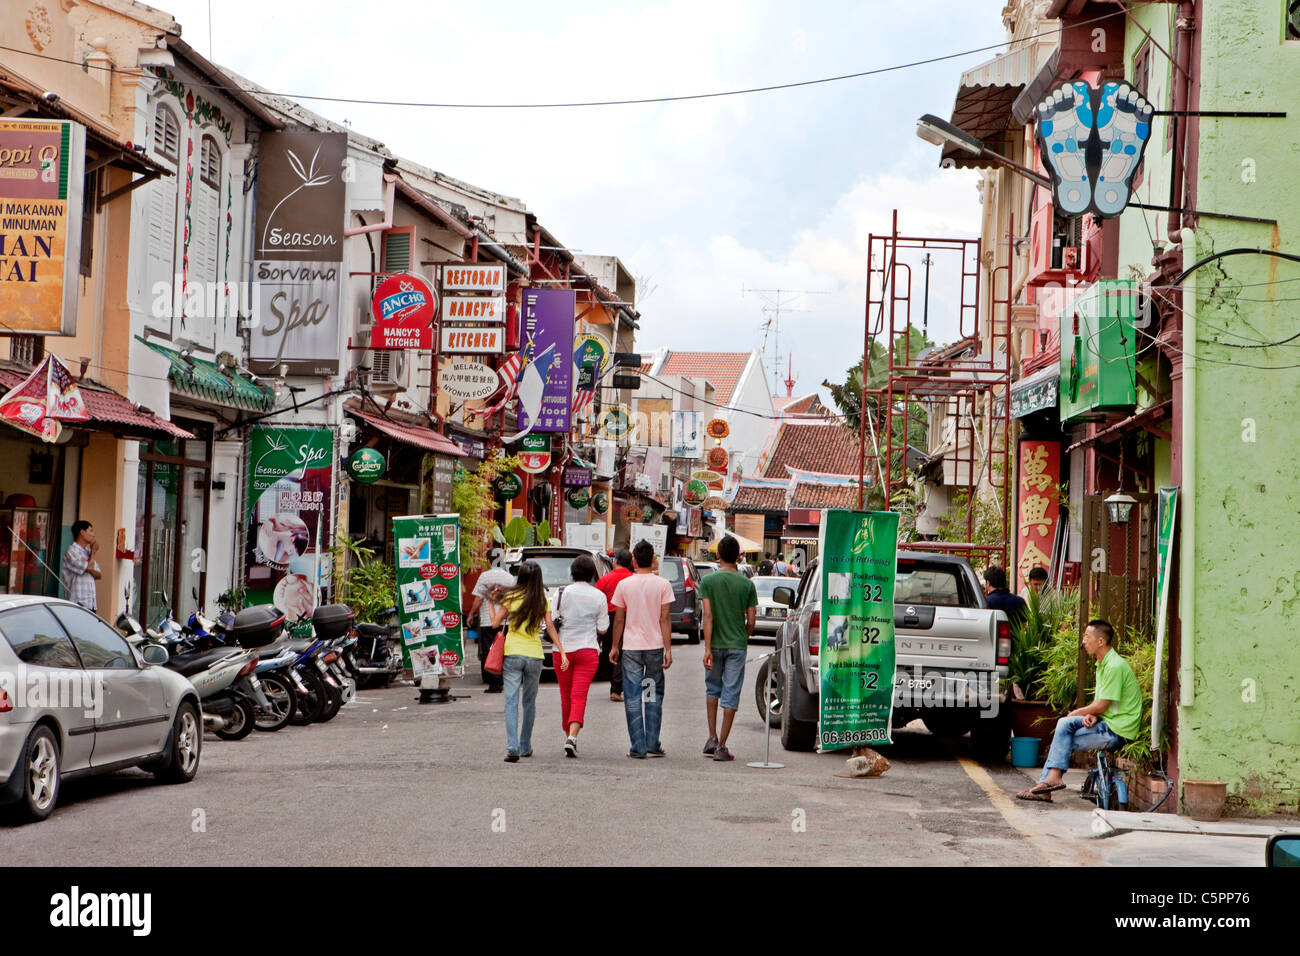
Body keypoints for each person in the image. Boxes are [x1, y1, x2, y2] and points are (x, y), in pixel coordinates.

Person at [1017, 619, 1142, 802]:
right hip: (1107, 721)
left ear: (1100, 641)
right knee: (1063, 725)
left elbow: (1102, 705)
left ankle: (1048, 783)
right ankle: (1049, 781)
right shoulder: (1103, 664)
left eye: (1087, 636)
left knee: (1063, 739)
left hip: (1118, 730)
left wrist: (1078, 712)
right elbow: (1103, 702)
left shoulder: (1114, 666)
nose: (1083, 641)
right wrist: (1091, 714)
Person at [491, 561, 564, 763]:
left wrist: (490, 603)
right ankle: (526, 745)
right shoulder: (543, 600)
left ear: (520, 577)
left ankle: (512, 746)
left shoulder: (511, 597)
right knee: (529, 703)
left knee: (511, 702)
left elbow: (495, 624)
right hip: (534, 655)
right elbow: (549, 627)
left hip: (513, 653)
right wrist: (561, 649)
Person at [609, 540, 674, 758]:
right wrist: (668, 649)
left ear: (634, 560)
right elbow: (665, 618)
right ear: (653, 559)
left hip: (631, 647)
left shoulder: (624, 585)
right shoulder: (663, 584)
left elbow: (619, 620)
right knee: (653, 694)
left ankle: (637, 746)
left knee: (633, 695)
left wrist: (614, 647)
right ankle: (652, 742)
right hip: (655, 646)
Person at [699, 535, 757, 761]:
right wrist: (745, 634)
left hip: (714, 645)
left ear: (718, 556)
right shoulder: (747, 585)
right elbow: (751, 621)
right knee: (731, 694)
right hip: (737, 646)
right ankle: (722, 746)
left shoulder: (708, 582)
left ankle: (711, 737)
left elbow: (707, 616)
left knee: (712, 689)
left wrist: (707, 648)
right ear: (738, 557)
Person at [553, 554, 609, 757]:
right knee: (579, 696)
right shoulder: (599, 596)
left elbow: (552, 622)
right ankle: (573, 737)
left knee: (565, 696)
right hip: (587, 650)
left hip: (562, 651)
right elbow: (603, 628)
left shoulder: (560, 593)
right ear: (592, 573)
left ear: (572, 572)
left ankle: (568, 736)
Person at [468, 562, 515, 693]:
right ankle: (502, 679)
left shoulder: (484, 576)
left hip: (488, 621)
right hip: (505, 621)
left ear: (489, 561)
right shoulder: (509, 577)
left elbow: (478, 599)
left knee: (489, 651)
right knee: (503, 650)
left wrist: (471, 614)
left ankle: (494, 683)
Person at [595, 549, 635, 701]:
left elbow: (596, 599)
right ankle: (617, 687)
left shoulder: (605, 579)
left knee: (611, 650)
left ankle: (615, 685)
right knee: (624, 651)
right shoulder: (633, 578)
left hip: (609, 618)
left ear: (616, 561)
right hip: (629, 617)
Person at [61, 519, 102, 610]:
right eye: (91, 531)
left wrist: (89, 564)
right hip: (77, 603)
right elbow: (89, 568)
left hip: (91, 603)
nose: (93, 535)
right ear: (82, 532)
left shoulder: (88, 552)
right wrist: (94, 552)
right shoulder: (72, 551)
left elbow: (98, 574)